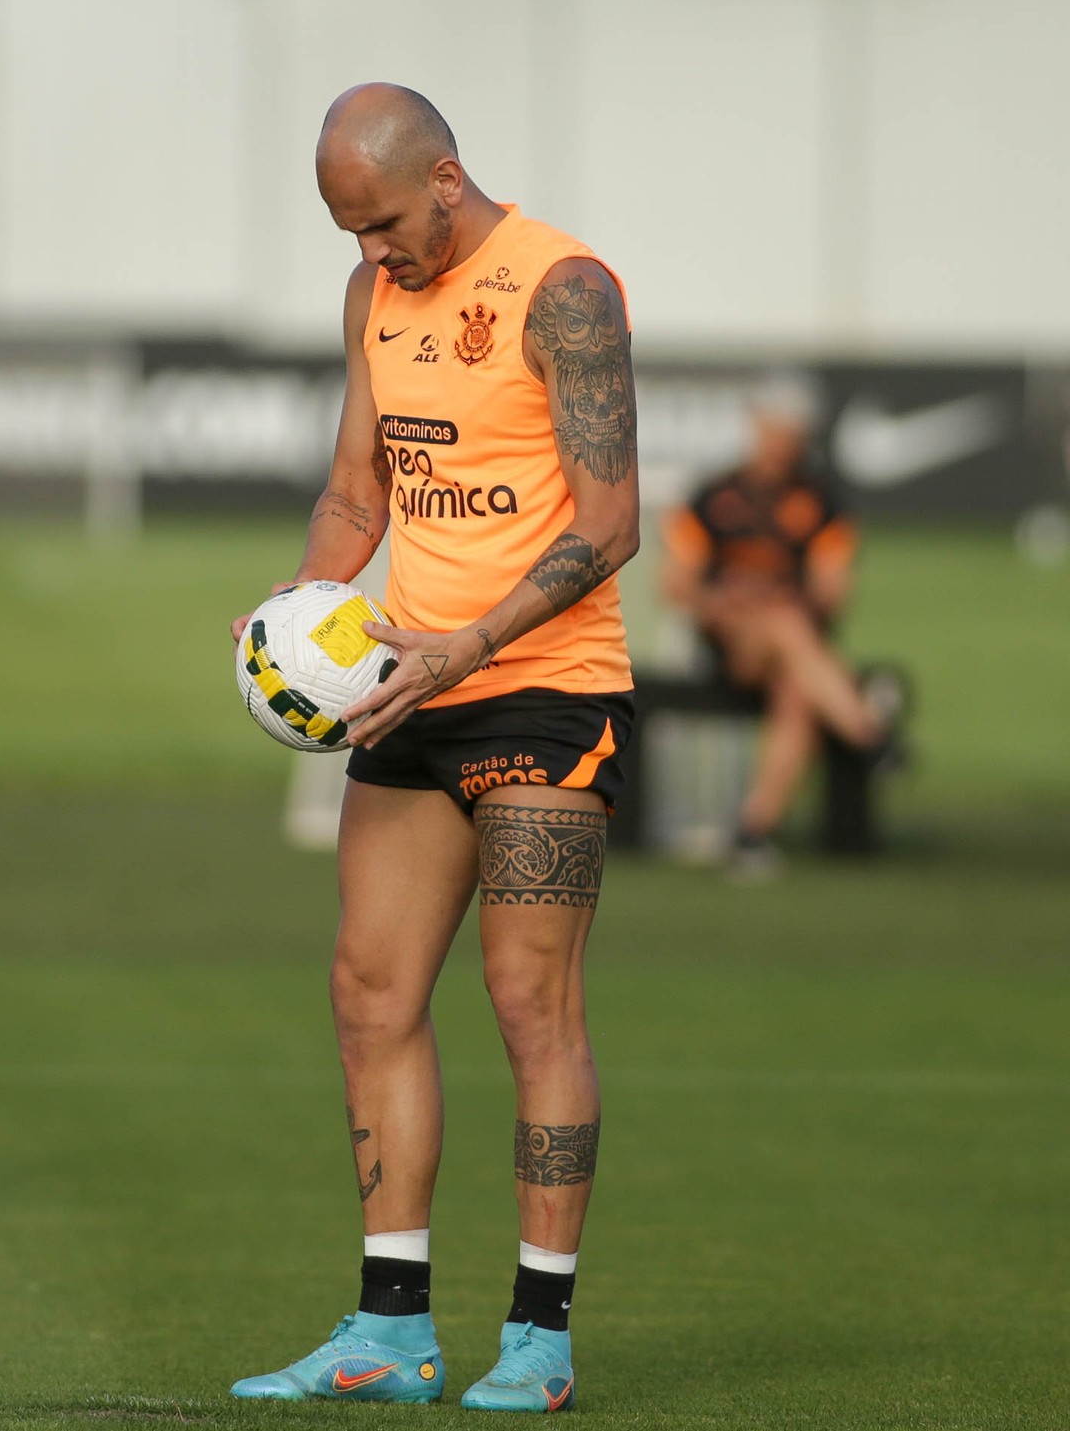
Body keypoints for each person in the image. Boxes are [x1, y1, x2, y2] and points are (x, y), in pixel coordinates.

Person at [228, 83, 639, 1412]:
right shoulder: (373, 296)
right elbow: (361, 490)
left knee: (531, 1003)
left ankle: (542, 1336)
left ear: (446, 179)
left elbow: (613, 519)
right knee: (368, 991)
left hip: (544, 690)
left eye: (389, 224)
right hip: (412, 688)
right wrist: (300, 619)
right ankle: (390, 1329)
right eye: (351, 234)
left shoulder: (566, 290)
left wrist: (474, 644)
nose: (375, 255)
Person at [661, 372, 891, 875]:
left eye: (791, 434)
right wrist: (724, 601)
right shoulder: (711, 496)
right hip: (731, 644)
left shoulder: (823, 501)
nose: (780, 444)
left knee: (795, 689)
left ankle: (751, 832)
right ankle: (868, 735)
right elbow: (676, 586)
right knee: (781, 625)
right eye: (773, 429)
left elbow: (833, 591)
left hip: (795, 648)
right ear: (755, 425)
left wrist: (778, 599)